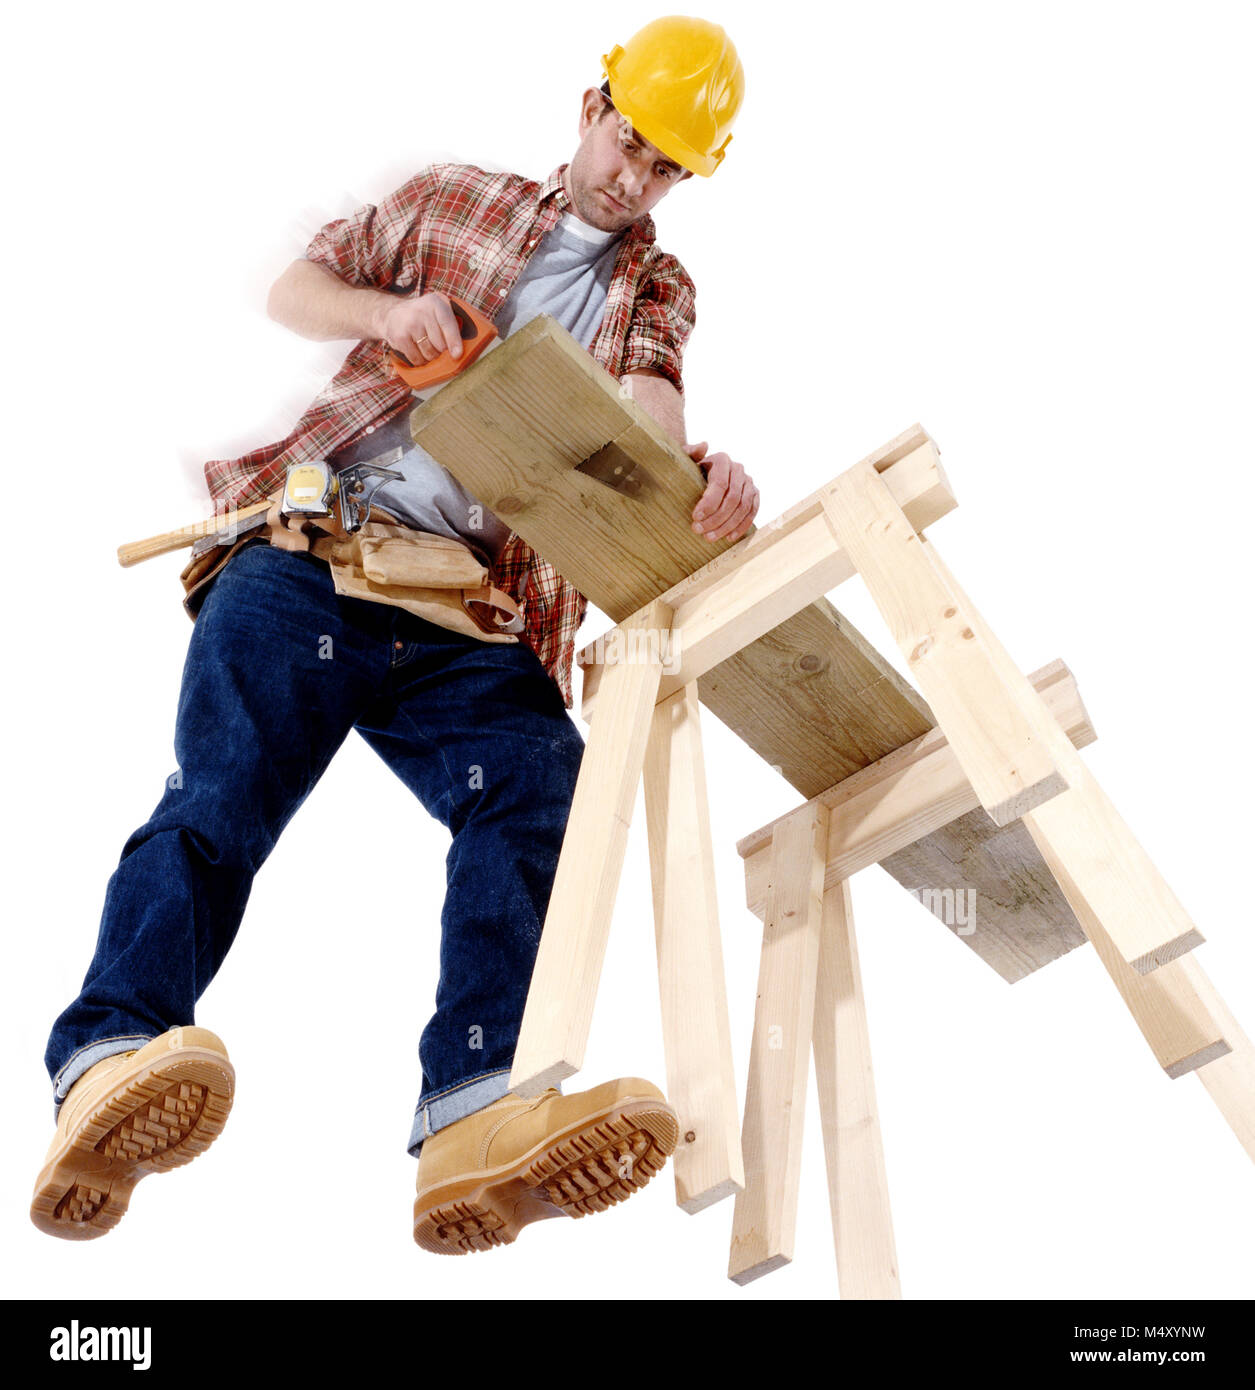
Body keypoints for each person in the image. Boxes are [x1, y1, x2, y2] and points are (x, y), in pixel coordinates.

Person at [32, 16, 758, 1255]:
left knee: (540, 791)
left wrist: (693, 475)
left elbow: (644, 412)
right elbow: (291, 288)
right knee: (222, 797)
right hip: (320, 548)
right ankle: (107, 1059)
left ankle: (471, 1117)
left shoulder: (654, 287)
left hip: (465, 611)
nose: (633, 179)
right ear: (591, 105)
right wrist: (394, 307)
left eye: (663, 170)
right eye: (628, 144)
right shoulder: (452, 198)